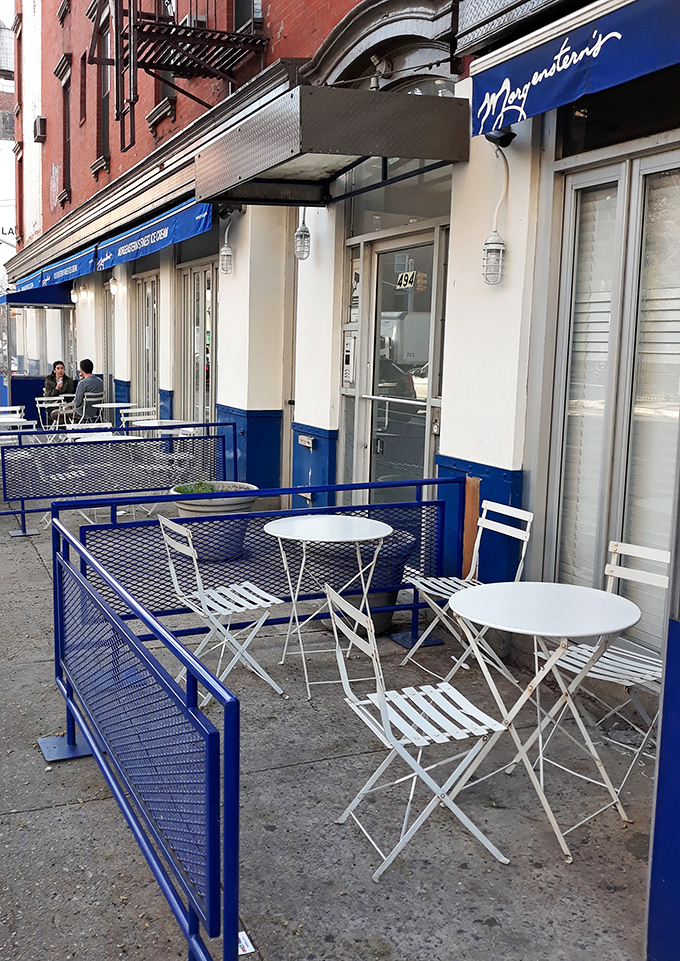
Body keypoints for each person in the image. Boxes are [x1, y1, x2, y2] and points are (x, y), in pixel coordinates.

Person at [50, 358, 104, 423]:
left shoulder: (82, 383)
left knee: (54, 414)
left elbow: (77, 403)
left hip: (81, 412)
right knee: (65, 409)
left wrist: (67, 405)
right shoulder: (100, 381)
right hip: (94, 411)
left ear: (81, 370)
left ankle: (71, 428)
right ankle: (73, 427)